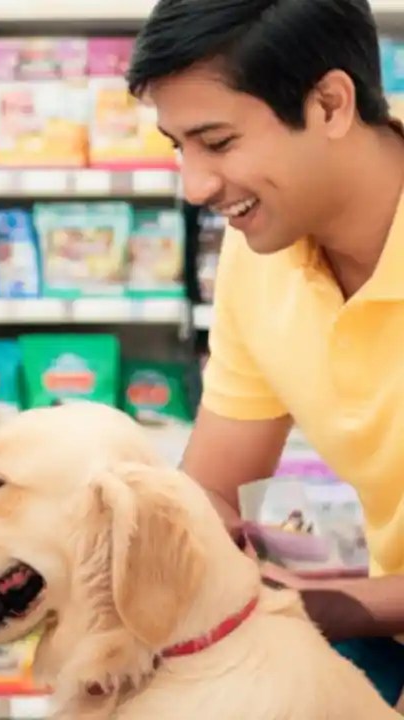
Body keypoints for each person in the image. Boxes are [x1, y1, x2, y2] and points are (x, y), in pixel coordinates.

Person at [127, 0, 404, 708]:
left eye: (217, 143)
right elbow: (209, 494)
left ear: (331, 104)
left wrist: (341, 605)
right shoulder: (260, 262)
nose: (194, 187)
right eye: (177, 146)